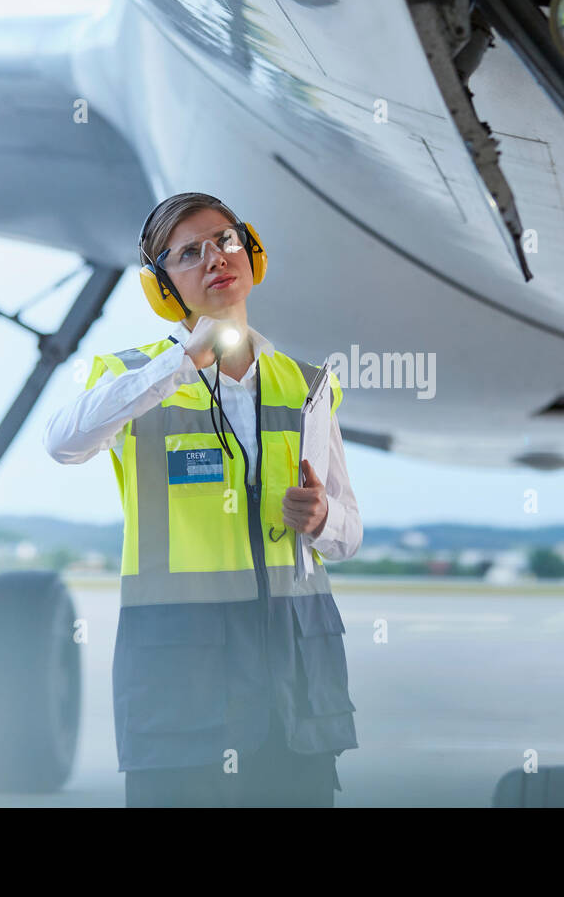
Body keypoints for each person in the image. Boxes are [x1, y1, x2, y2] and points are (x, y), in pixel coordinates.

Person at [43, 192, 362, 806]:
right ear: (164, 289)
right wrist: (181, 365)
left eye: (226, 239)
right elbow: (63, 443)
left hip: (294, 690)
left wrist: (323, 519)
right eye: (189, 252)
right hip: (182, 688)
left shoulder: (308, 384)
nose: (215, 256)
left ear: (252, 251)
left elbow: (348, 537)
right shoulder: (130, 378)